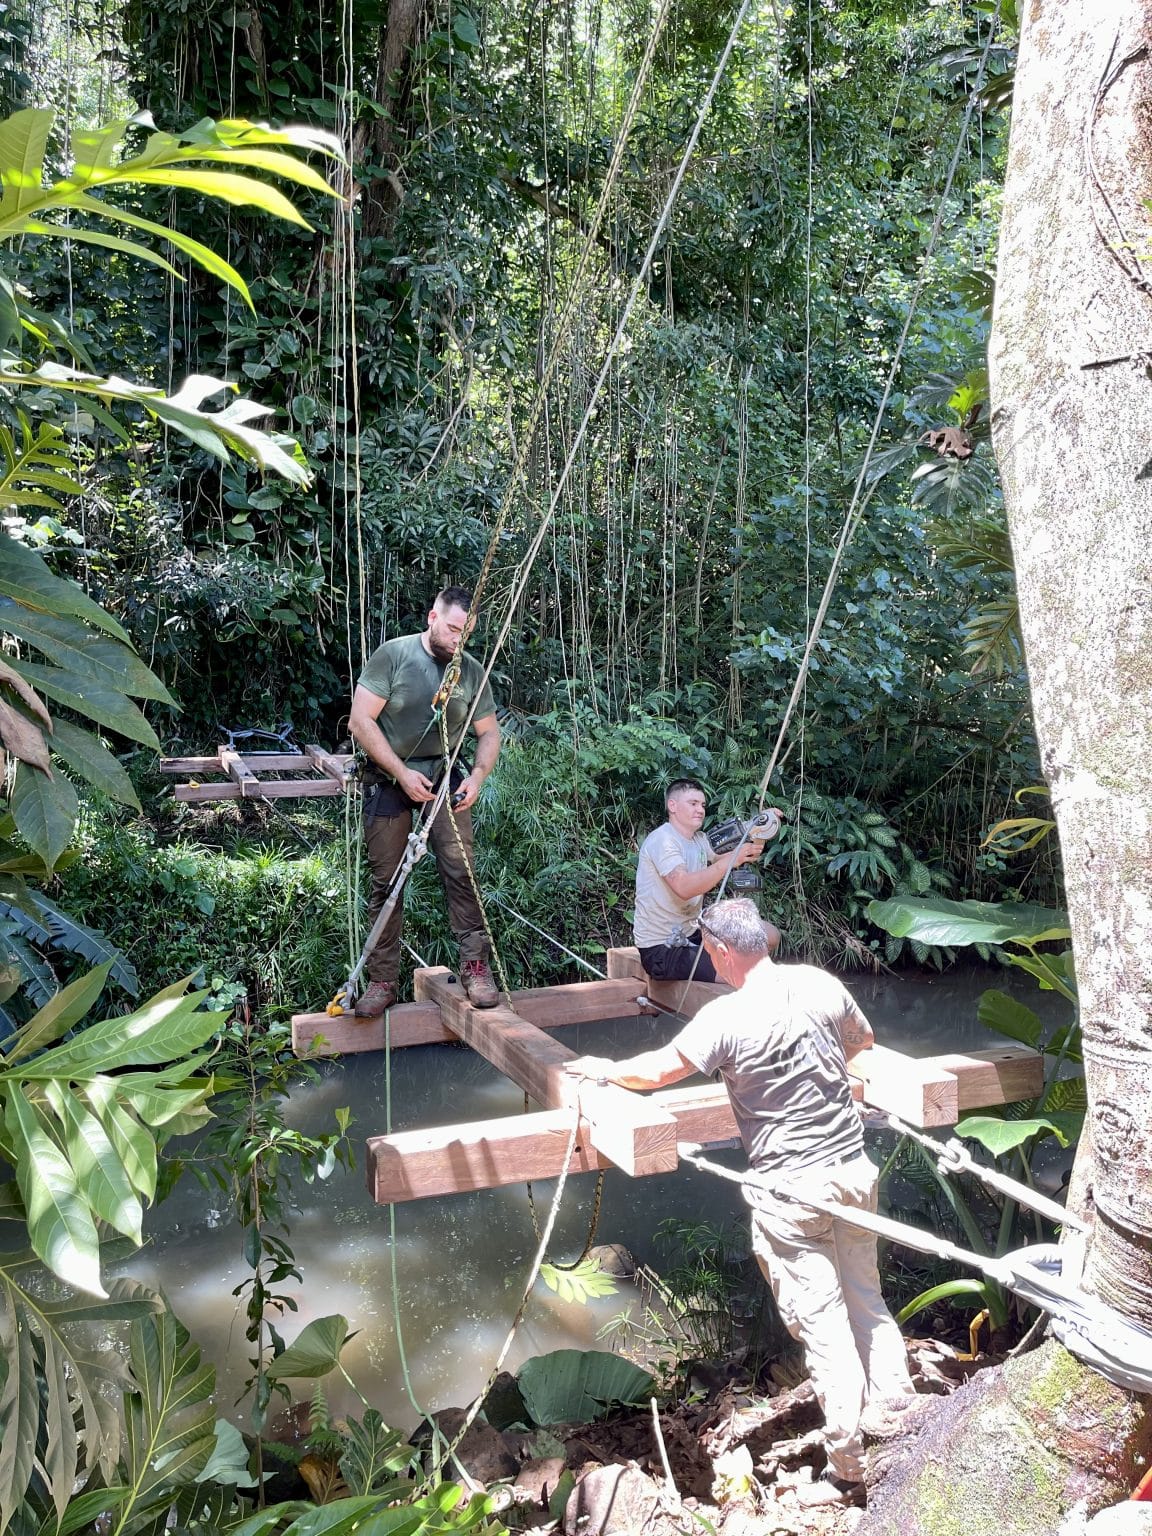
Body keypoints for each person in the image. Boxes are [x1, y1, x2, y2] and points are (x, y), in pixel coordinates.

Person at [566, 897, 916, 1508]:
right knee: (869, 1304)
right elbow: (863, 1040)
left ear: (724, 951)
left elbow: (658, 1071)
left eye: (707, 951)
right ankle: (904, 1427)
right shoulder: (819, 983)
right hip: (855, 1173)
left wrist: (603, 1070)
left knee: (826, 1329)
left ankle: (851, 1467)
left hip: (792, 1192)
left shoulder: (726, 1017)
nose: (707, 960)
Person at [348, 586, 501, 1014]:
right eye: (453, 628)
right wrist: (400, 772)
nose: (458, 639)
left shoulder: (469, 670)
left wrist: (477, 775)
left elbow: (488, 732)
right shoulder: (393, 656)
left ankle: (475, 967)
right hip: (390, 776)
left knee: (462, 872)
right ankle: (381, 981)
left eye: (465, 634)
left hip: (444, 775)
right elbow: (361, 721)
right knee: (388, 882)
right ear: (432, 616)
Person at [633, 779, 771, 982]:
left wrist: (764, 826)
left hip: (694, 934)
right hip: (663, 949)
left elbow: (741, 854)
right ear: (672, 806)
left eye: (703, 805)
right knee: (746, 973)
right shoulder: (662, 840)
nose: (700, 809)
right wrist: (730, 861)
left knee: (769, 934)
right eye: (693, 803)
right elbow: (684, 887)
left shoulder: (699, 839)